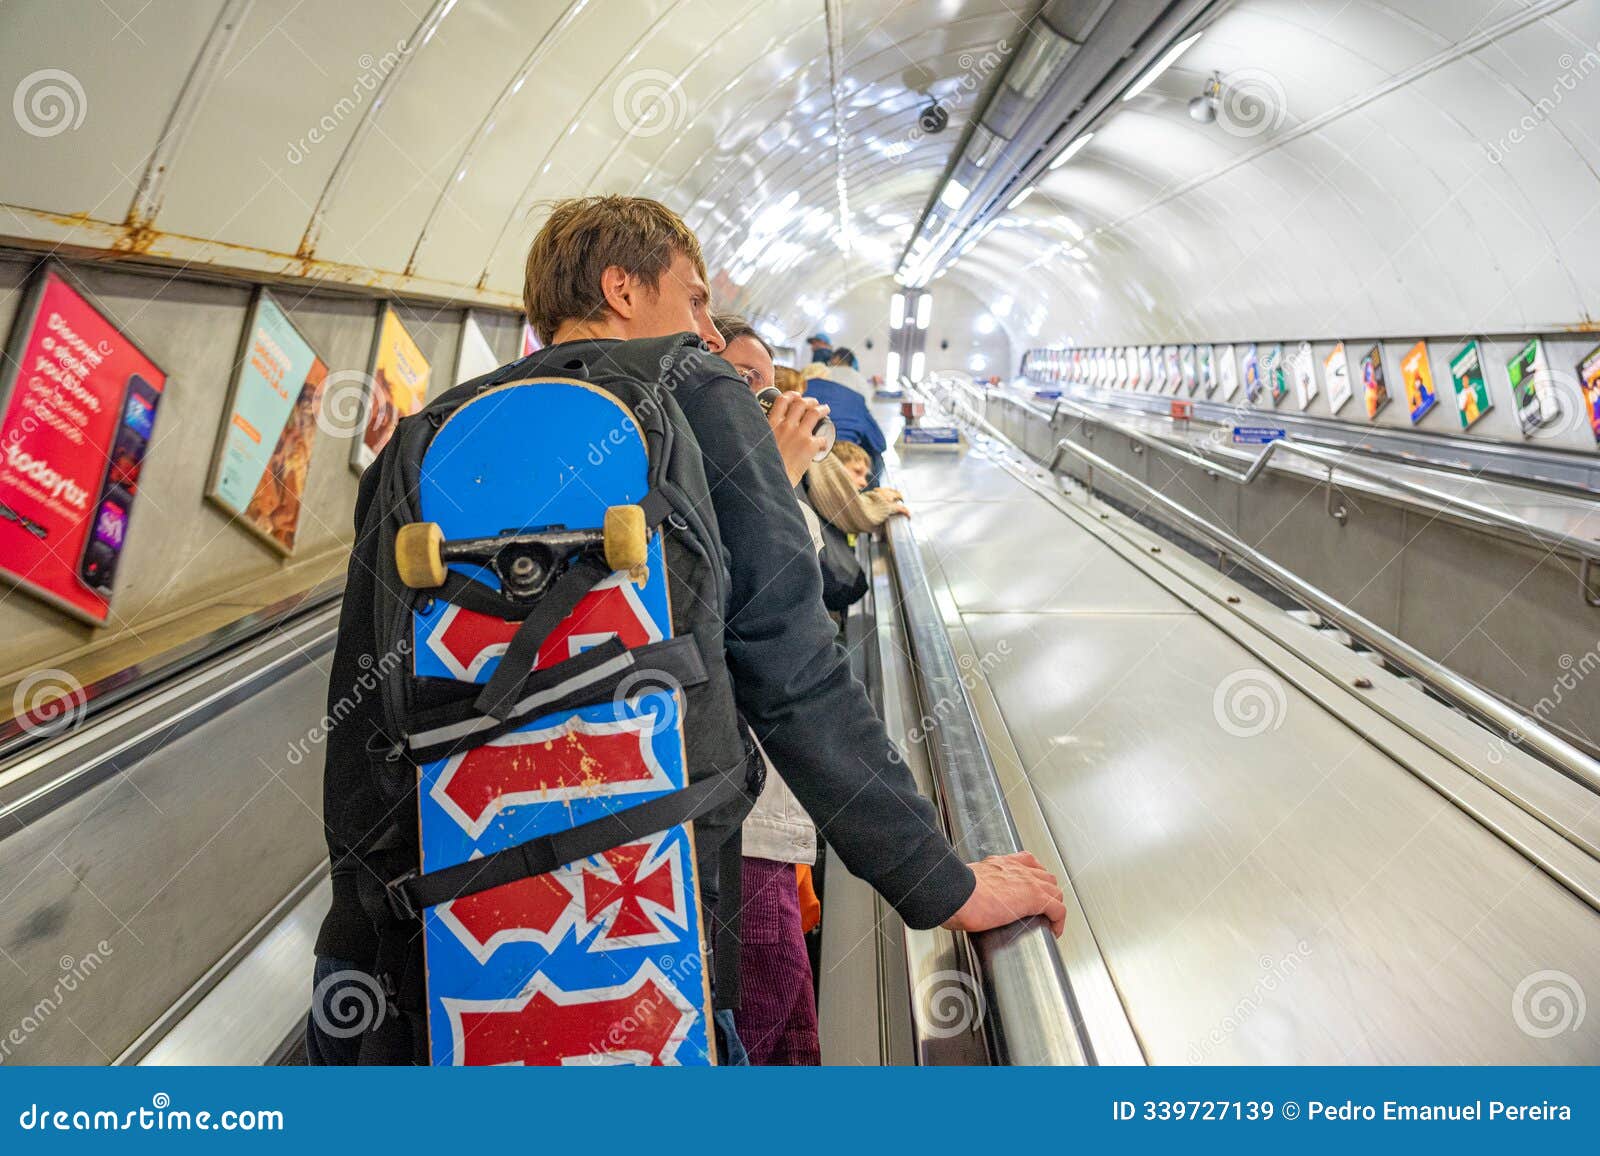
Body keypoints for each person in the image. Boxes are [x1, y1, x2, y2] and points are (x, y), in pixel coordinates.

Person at [310, 195, 1066, 1065]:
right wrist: (941, 882)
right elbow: (794, 670)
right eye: (696, 298)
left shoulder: (428, 434)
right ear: (620, 287)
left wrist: (353, 951)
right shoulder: (696, 395)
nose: (708, 330)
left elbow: (362, 720)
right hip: (653, 939)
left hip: (461, 948)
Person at [715, 313, 828, 1065]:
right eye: (742, 385)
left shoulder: (760, 484)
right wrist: (776, 478)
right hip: (740, 833)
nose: (761, 405)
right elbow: (746, 612)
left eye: (766, 384)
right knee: (757, 1027)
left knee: (792, 1041)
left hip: (777, 824)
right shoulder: (707, 490)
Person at [801, 362, 888, 486]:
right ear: (828, 377)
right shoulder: (854, 397)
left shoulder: (795, 392)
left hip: (805, 466)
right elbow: (880, 443)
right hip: (843, 461)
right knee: (877, 457)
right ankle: (868, 495)